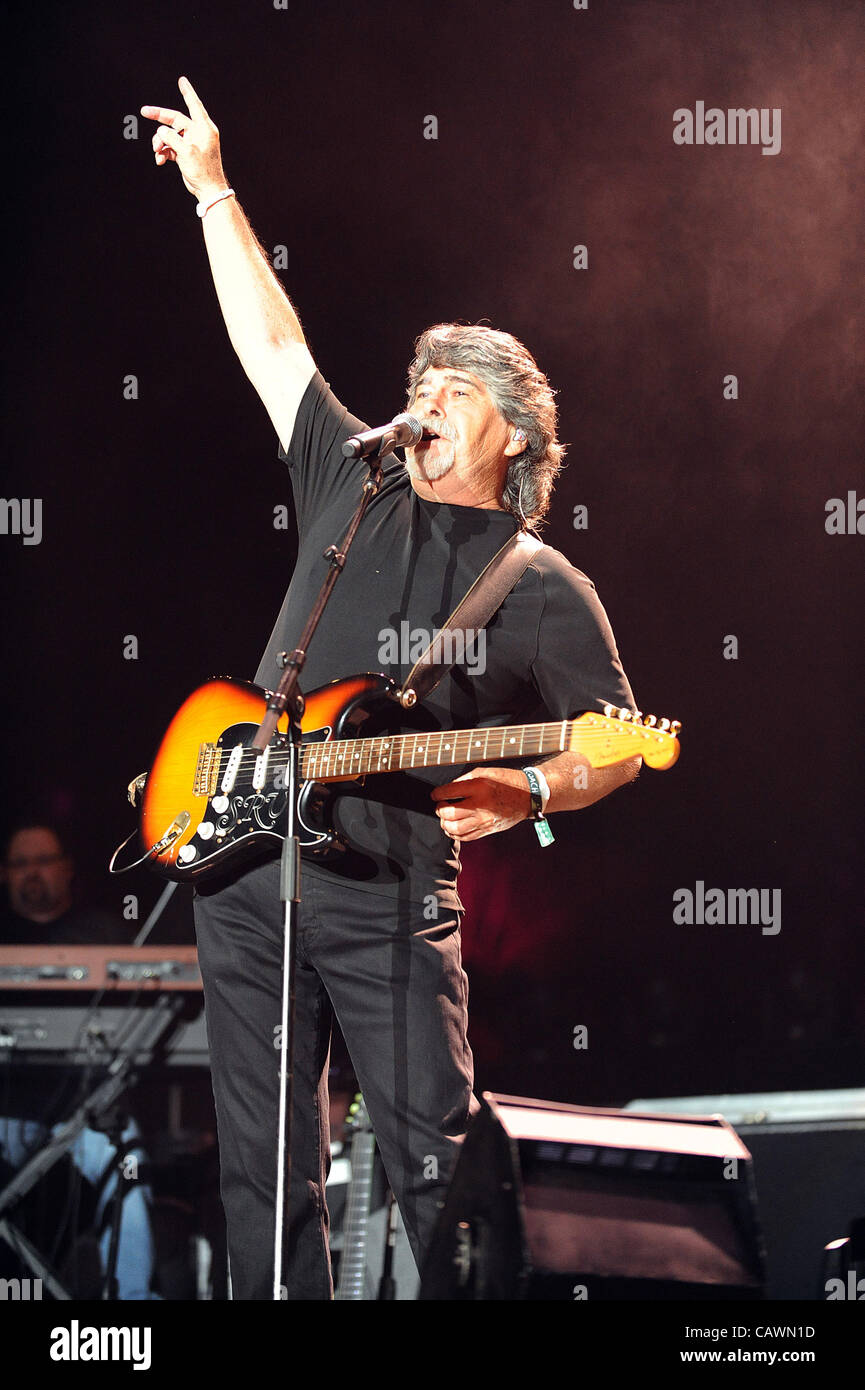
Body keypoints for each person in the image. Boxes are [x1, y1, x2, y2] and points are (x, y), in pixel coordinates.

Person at [140, 78, 641, 1300]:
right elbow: (273, 344)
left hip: (384, 883)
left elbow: (613, 742)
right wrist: (214, 190)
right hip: (244, 861)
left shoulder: (535, 579)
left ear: (515, 434)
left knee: (434, 1158)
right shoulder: (350, 477)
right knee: (266, 1171)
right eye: (420, 380)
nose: (423, 403)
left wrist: (530, 792)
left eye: (455, 389)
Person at [0, 824, 160, 1299]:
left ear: (67, 868)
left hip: (82, 1108)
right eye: (20, 864)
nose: (32, 873)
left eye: (43, 861)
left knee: (127, 1160)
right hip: (7, 1113)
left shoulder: (106, 933)